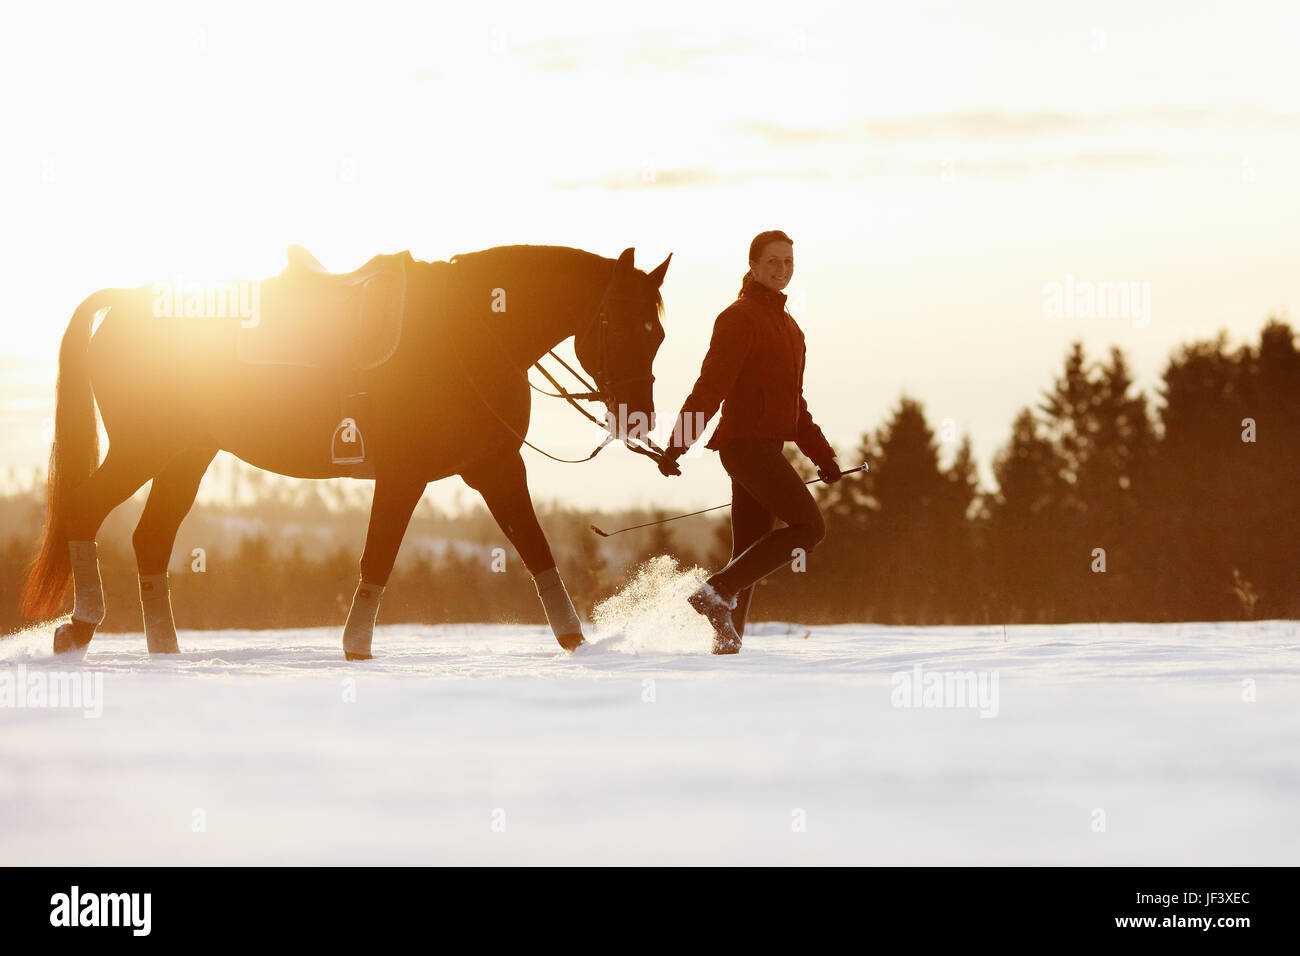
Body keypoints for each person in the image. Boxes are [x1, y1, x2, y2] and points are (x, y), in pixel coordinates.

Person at [658, 230, 841, 653]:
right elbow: (711, 386)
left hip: (768, 448)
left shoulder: (791, 329)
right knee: (810, 527)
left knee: (749, 553)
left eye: (789, 263)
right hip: (744, 448)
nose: (781, 269)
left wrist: (823, 457)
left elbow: (796, 406)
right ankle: (714, 591)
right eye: (773, 261)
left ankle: (727, 641)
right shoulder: (738, 318)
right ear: (753, 265)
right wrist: (677, 443)